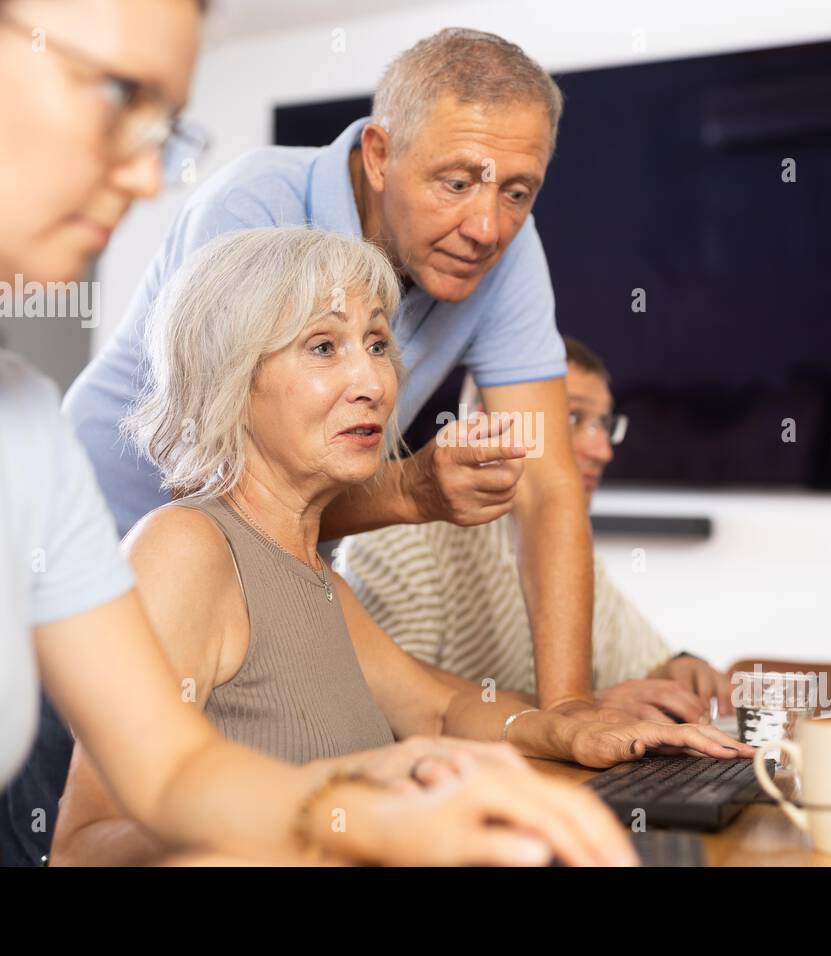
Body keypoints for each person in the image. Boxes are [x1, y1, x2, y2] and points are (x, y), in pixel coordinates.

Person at [0, 0, 636, 868]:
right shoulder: (167, 514)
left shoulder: (22, 424)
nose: (149, 179)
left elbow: (179, 776)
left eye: (164, 125)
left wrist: (384, 794)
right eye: (116, 92)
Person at [48, 226, 752, 865]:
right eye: (325, 347)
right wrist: (345, 801)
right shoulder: (185, 548)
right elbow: (86, 847)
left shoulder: (310, 570)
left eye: (378, 344)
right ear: (229, 378)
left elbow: (443, 710)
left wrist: (574, 732)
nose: (372, 383)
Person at [339, 337, 738, 722]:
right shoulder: (403, 539)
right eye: (573, 419)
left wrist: (681, 666)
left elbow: (638, 658)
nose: (603, 451)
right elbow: (396, 712)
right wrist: (580, 710)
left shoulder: (567, 545)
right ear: (483, 423)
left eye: (604, 424)